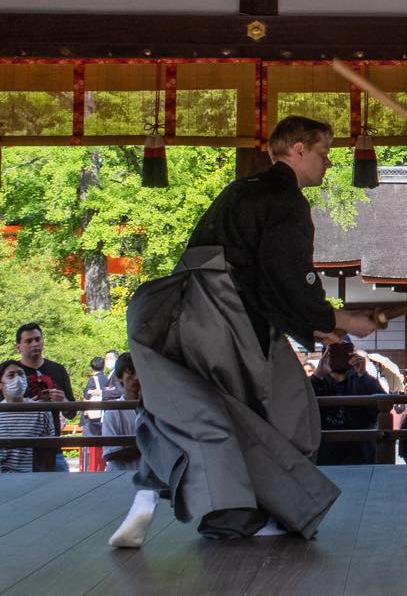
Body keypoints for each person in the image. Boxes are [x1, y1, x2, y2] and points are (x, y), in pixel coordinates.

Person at [111, 116, 377, 547]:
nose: (328, 163)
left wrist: (317, 326)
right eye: (324, 153)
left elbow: (264, 279)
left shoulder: (240, 191)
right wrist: (340, 321)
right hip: (230, 319)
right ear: (298, 150)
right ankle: (251, 515)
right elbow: (288, 280)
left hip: (190, 313)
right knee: (274, 414)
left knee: (196, 408)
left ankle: (150, 487)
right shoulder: (285, 200)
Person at [15, 323, 76, 472]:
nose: (34, 344)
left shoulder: (58, 370)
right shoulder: (10, 372)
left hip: (53, 450)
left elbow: (71, 413)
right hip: (18, 452)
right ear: (18, 347)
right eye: (28, 341)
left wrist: (63, 401)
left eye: (38, 339)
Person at [312, 341, 384, 466]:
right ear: (325, 356)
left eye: (344, 353)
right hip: (326, 455)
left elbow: (382, 405)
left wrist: (363, 375)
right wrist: (317, 375)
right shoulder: (319, 382)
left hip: (360, 455)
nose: (340, 358)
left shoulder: (362, 379)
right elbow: (301, 405)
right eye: (335, 353)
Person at [0, 359, 54, 473]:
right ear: (1, 384)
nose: (18, 379)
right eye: (11, 375)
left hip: (33, 477)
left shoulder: (41, 411)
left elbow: (49, 449)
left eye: (21, 374)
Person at [81, 355, 123, 472]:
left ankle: (93, 469)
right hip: (101, 416)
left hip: (94, 417)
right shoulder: (106, 377)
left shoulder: (95, 379)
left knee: (92, 447)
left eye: (110, 358)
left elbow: (87, 396)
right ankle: (100, 467)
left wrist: (101, 393)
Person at [102, 353, 142, 471]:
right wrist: (147, 446)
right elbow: (110, 453)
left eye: (140, 371)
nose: (136, 377)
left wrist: (130, 448)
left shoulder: (155, 409)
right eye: (131, 372)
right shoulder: (113, 412)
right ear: (120, 376)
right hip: (120, 475)